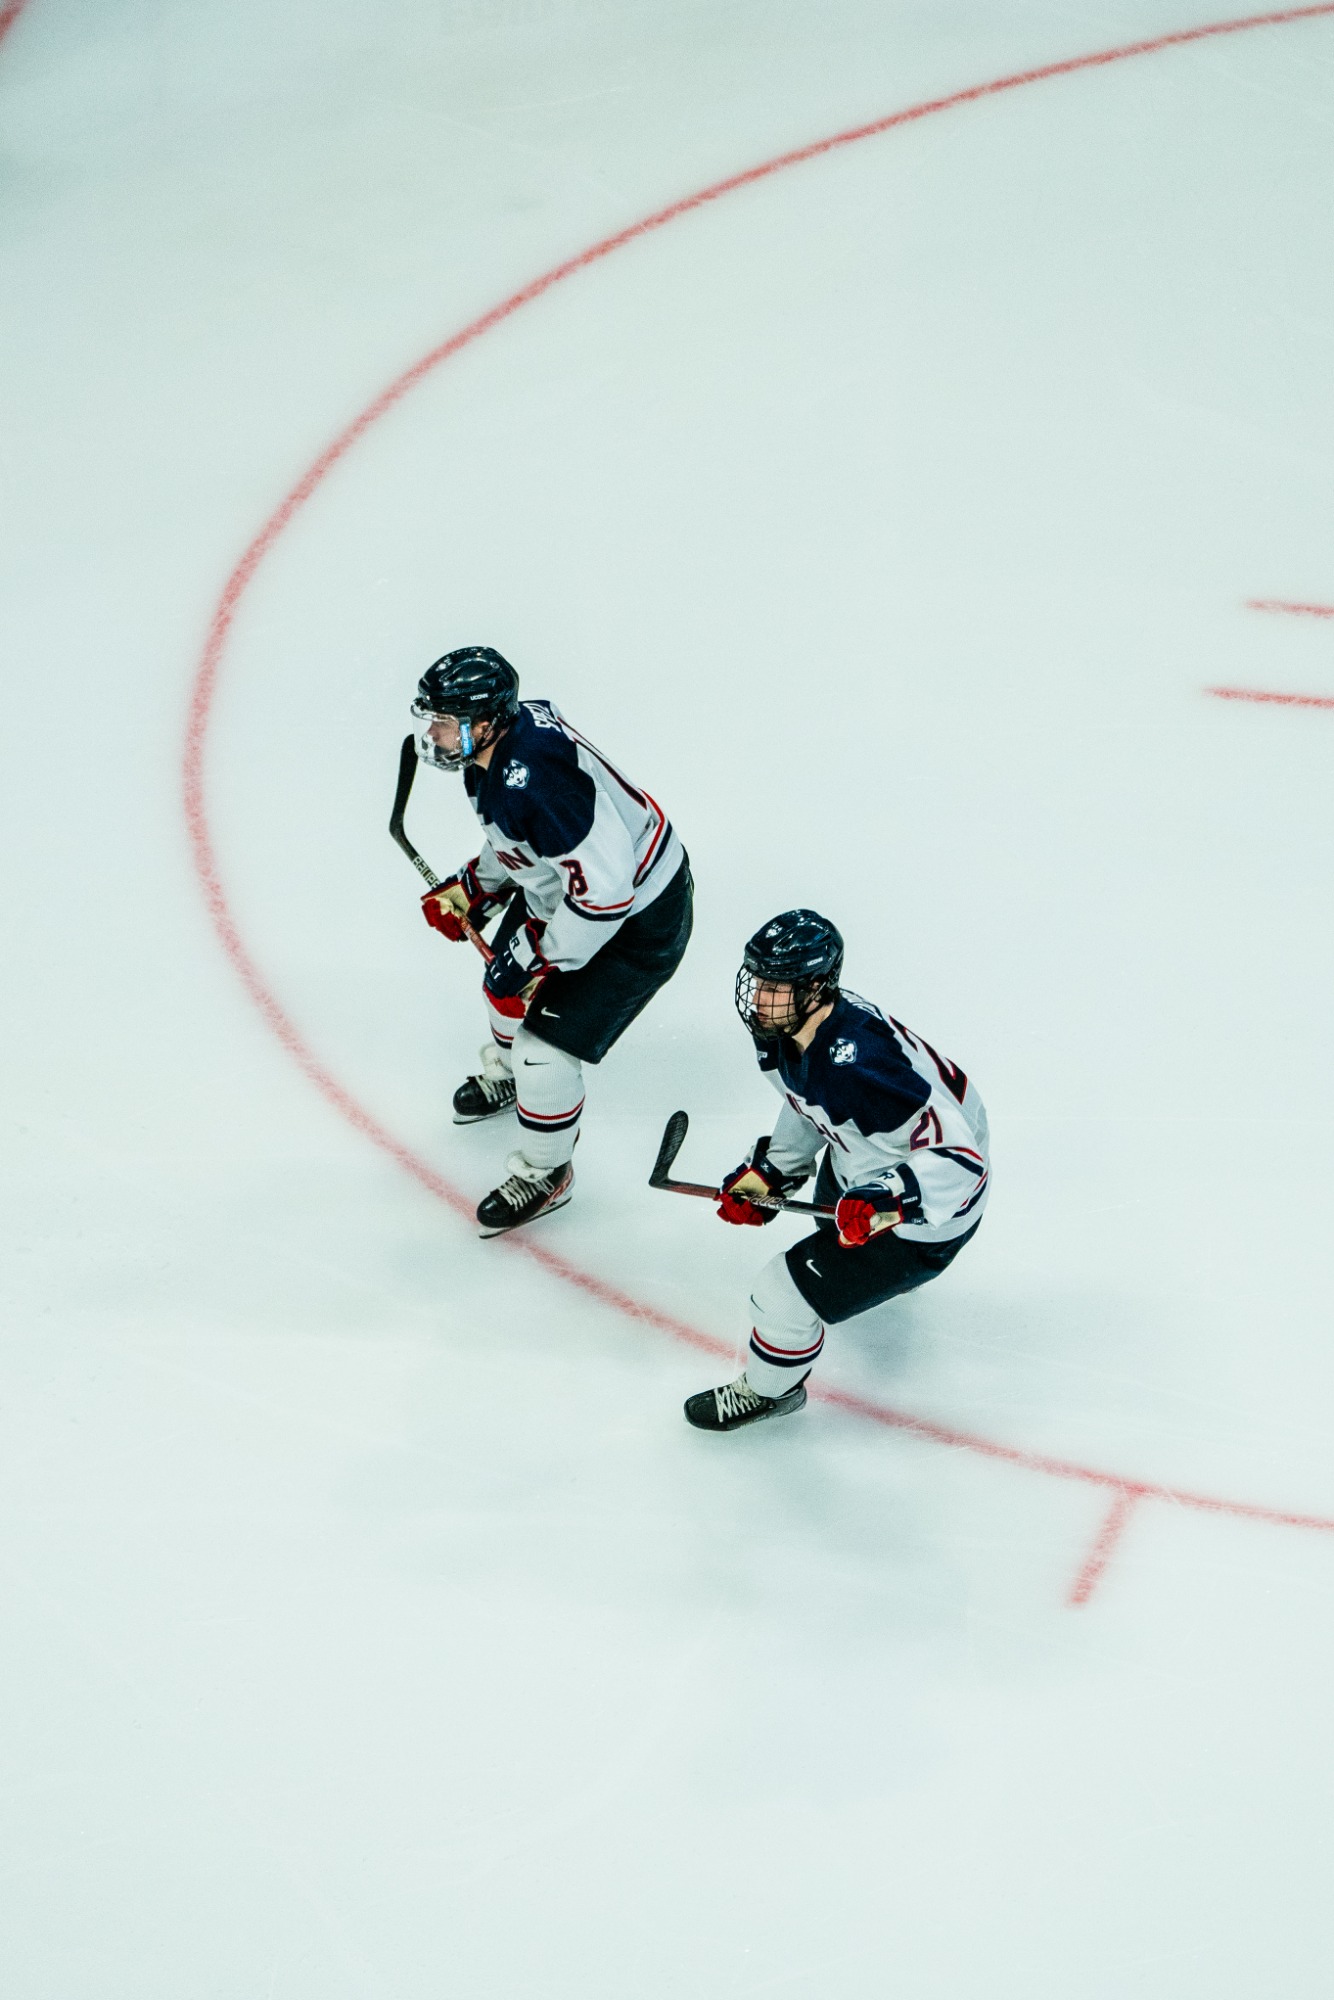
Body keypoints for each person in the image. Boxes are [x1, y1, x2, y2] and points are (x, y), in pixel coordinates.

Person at [412, 646, 692, 1235]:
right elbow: (523, 840)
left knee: (543, 1052)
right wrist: (475, 887)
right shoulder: (492, 755)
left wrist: (540, 955)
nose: (433, 732)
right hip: (576, 894)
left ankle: (547, 1172)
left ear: (485, 722)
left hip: (638, 917)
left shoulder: (539, 780)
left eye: (445, 719)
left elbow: (606, 894)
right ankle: (514, 1078)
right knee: (501, 993)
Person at [684, 910, 988, 1431]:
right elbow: (809, 1104)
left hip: (922, 1221)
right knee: (832, 1228)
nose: (759, 997)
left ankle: (769, 1392)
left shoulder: (861, 1063)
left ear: (816, 988)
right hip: (855, 1172)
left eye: (775, 986)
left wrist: (890, 1199)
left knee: (779, 1295)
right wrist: (774, 1173)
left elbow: (963, 1163)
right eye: (757, 981)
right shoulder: (788, 1035)